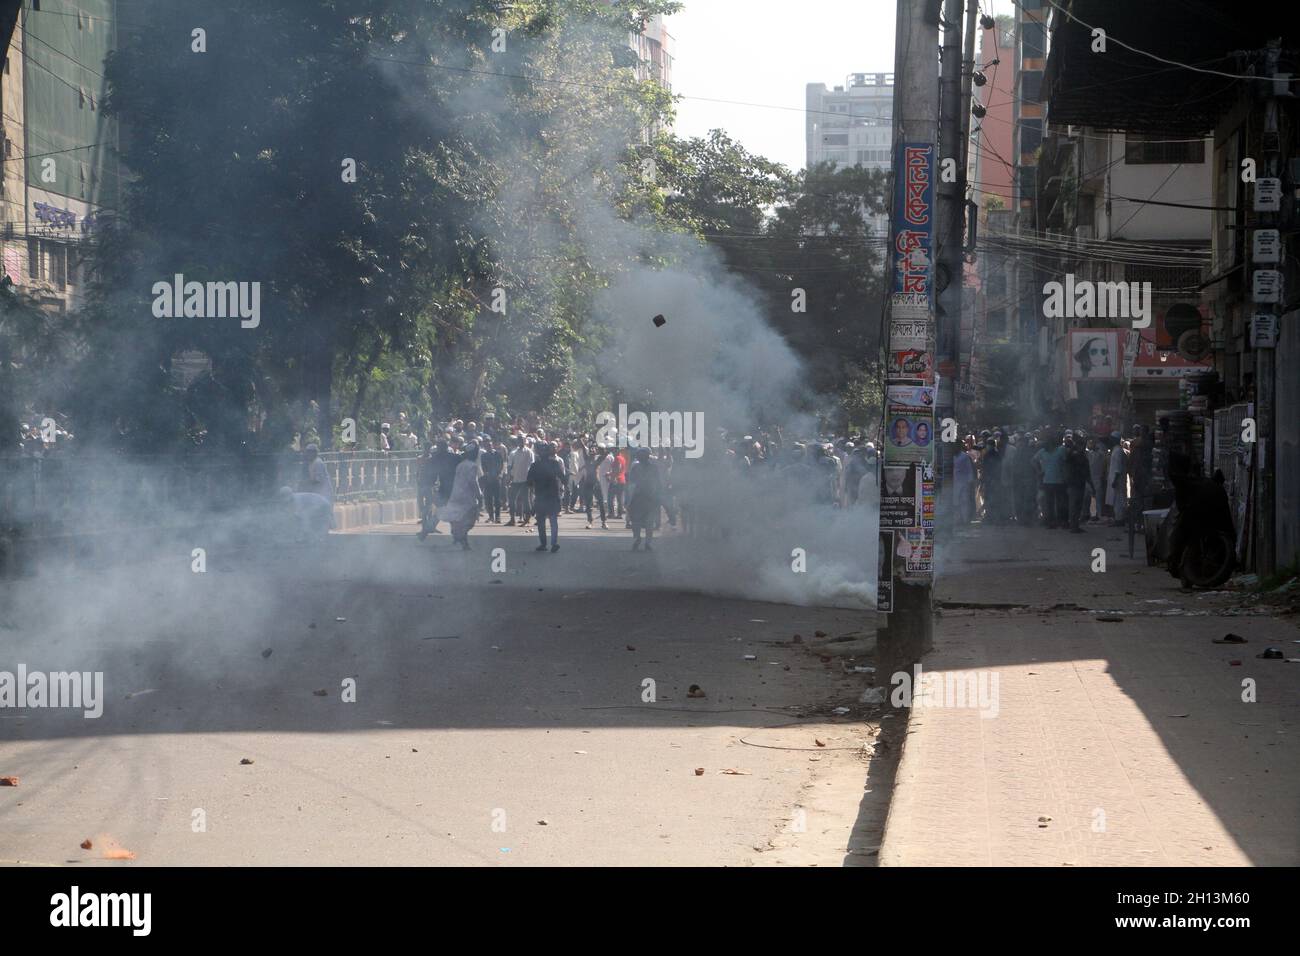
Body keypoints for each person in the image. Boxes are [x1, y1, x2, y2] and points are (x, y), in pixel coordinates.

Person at [438, 442, 483, 550]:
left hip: (456, 494)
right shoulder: (472, 466)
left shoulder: (461, 465)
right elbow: (473, 482)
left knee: (458, 519)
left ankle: (463, 542)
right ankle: (459, 536)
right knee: (469, 520)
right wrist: (479, 495)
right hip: (466, 497)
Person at [527, 441, 565, 552]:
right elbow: (563, 478)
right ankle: (554, 543)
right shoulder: (554, 464)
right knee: (553, 520)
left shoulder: (535, 466)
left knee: (541, 521)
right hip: (552, 496)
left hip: (541, 497)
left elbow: (528, 483)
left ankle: (543, 544)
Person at [626, 447, 663, 551]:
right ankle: (638, 538)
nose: (641, 457)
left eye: (644, 455)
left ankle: (647, 542)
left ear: (647, 456)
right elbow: (630, 483)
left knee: (648, 521)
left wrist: (658, 495)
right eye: (640, 455)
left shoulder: (653, 468)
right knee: (637, 521)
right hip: (638, 497)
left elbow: (659, 483)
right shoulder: (635, 468)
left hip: (649, 498)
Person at [1033, 432, 1068, 529]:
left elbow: (1065, 463)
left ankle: (1061, 521)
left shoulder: (1061, 450)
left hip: (1059, 480)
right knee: (1050, 504)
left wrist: (1065, 475)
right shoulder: (1043, 452)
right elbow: (1033, 460)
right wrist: (1039, 471)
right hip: (1047, 481)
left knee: (1060, 503)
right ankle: (1051, 522)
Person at [507, 435, 534, 527]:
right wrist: (508, 477)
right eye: (519, 440)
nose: (521, 442)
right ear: (517, 442)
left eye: (522, 440)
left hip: (525, 480)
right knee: (511, 499)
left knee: (526, 500)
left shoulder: (529, 452)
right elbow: (510, 466)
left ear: (525, 441)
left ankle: (527, 519)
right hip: (515, 479)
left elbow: (532, 465)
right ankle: (512, 519)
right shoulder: (513, 453)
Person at [479, 440, 506, 523]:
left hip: (497, 479)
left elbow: (502, 464)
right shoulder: (483, 456)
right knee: (488, 499)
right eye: (487, 446)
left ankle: (498, 517)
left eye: (490, 445)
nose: (489, 447)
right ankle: (491, 516)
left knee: (497, 499)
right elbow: (483, 467)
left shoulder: (497, 454)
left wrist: (500, 474)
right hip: (488, 479)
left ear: (492, 446)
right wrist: (486, 474)